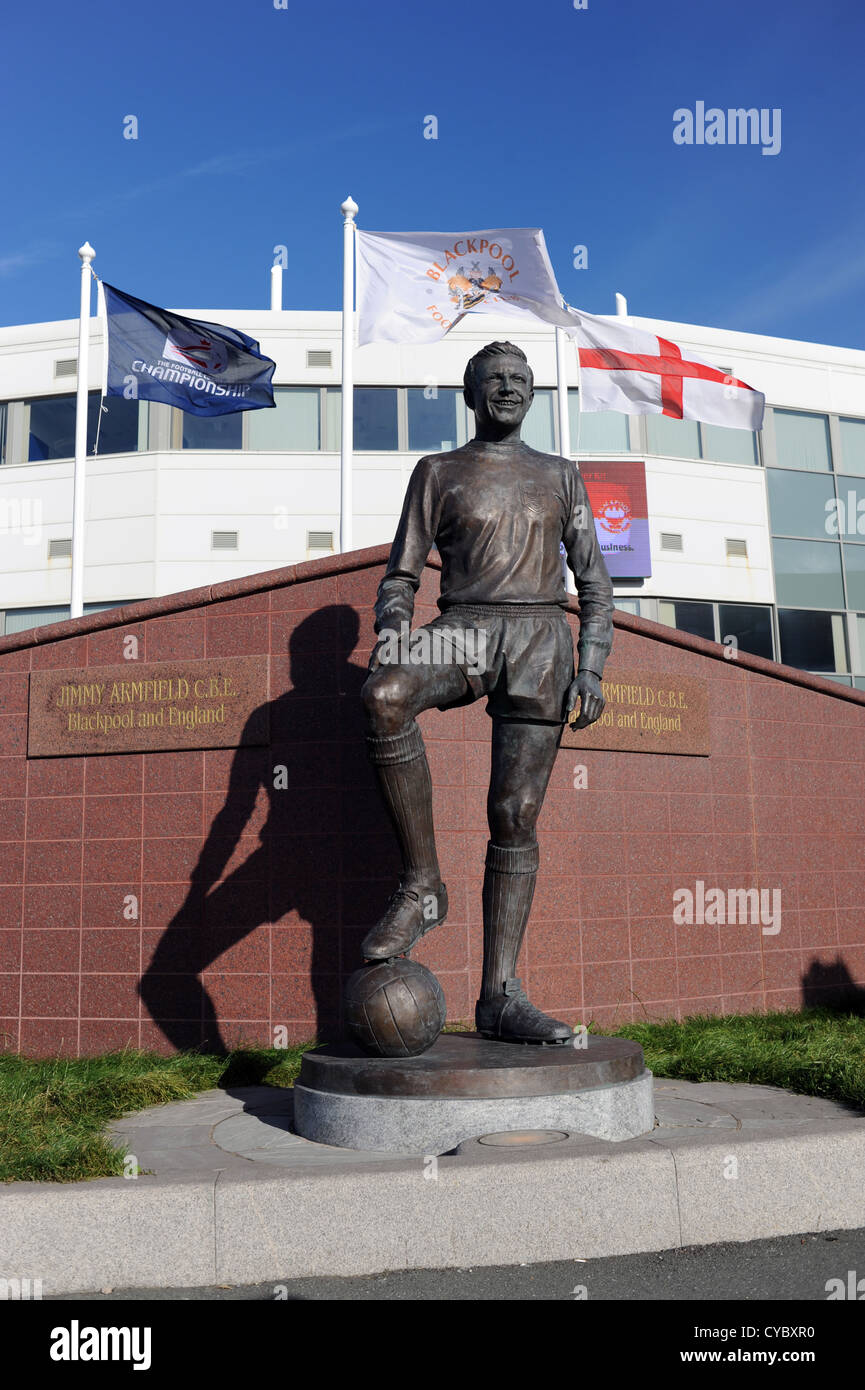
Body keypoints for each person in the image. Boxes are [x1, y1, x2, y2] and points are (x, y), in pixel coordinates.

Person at [361, 341, 614, 1043]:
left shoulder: (560, 476)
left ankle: (499, 994)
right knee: (384, 696)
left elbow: (594, 585)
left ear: (531, 395)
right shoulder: (438, 471)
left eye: (519, 380)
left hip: (540, 639)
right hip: (465, 627)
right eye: (493, 379)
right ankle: (421, 885)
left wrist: (590, 666)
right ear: (469, 394)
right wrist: (392, 632)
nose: (507, 388)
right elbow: (400, 576)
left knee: (514, 812)